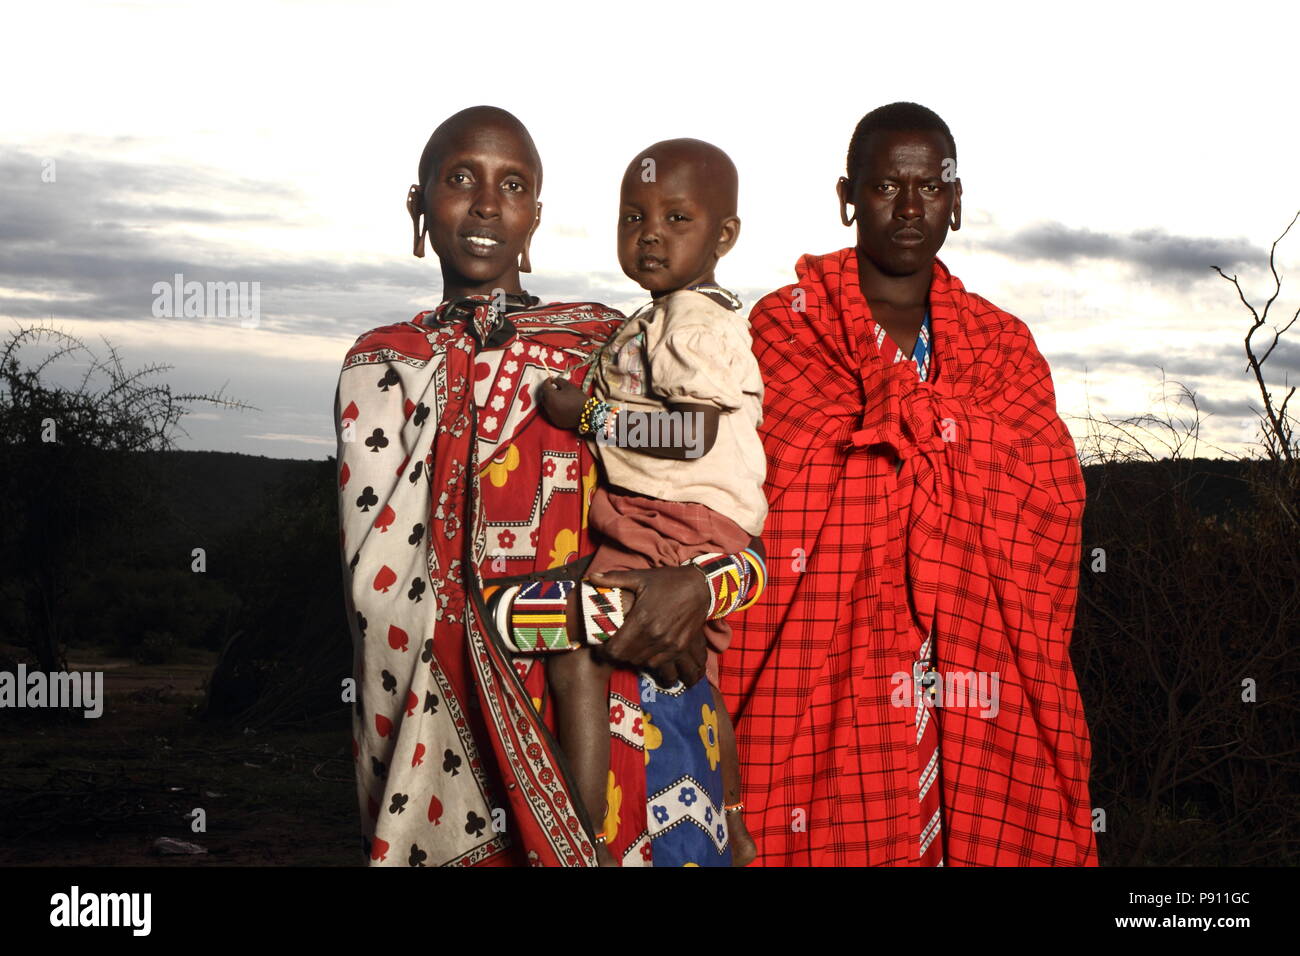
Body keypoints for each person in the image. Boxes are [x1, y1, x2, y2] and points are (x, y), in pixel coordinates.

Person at [335, 106, 765, 867]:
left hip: (624, 685)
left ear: (536, 217)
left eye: (513, 185)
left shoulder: (604, 341)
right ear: (420, 206)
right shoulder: (381, 365)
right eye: (461, 178)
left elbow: (720, 493)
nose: (486, 203)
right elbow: (375, 589)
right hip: (441, 716)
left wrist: (700, 587)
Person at [723, 102, 1098, 866]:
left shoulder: (1002, 343)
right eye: (887, 186)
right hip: (826, 663)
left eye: (930, 188)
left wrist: (924, 430)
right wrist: (912, 441)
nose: (909, 206)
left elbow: (1053, 490)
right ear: (847, 198)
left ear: (955, 203)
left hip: (974, 664)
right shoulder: (783, 328)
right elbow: (748, 476)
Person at [536, 139, 765, 866]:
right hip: (701, 522)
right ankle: (735, 822)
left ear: (723, 236)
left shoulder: (691, 319)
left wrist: (589, 419)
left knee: (574, 637)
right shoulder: (666, 312)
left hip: (678, 516)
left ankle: (582, 830)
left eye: (676, 217)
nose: (651, 234)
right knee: (702, 674)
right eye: (633, 216)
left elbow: (689, 431)